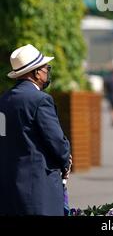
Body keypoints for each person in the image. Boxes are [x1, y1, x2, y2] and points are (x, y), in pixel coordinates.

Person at [0, 44, 71, 216]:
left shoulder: (3, 100)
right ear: (36, 72)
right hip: (39, 190)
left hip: (8, 188)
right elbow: (56, 142)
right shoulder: (40, 100)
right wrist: (65, 160)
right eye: (46, 68)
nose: (47, 72)